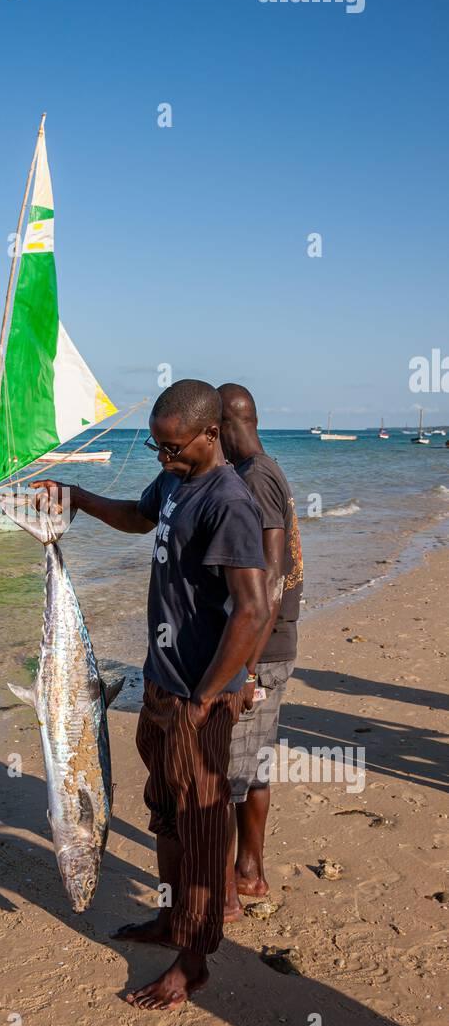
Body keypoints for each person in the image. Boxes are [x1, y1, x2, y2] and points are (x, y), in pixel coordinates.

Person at [33, 379, 268, 1011]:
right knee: (163, 811)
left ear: (210, 434)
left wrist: (209, 695)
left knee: (198, 827)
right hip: (160, 685)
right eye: (155, 446)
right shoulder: (172, 483)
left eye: (172, 447)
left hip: (198, 696)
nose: (162, 457)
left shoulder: (229, 502)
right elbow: (138, 520)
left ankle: (193, 964)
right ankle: (168, 920)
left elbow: (253, 608)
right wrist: (76, 497)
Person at [217, 383, 303, 914]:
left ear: (225, 425)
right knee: (255, 769)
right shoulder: (264, 470)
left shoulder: (255, 480)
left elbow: (268, 585)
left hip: (262, 653)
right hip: (271, 647)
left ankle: (224, 896)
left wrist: (244, 670)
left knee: (227, 775)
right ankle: (248, 873)